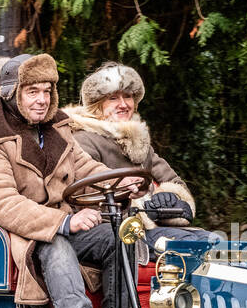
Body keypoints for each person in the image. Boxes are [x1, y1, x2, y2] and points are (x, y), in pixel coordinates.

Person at [0, 53, 139, 308]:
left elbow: (83, 167)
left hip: (61, 222)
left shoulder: (56, 128)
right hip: (16, 236)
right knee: (56, 246)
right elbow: (3, 204)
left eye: (47, 91)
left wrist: (121, 181)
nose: (42, 100)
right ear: (11, 93)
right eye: (32, 92)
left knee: (118, 236)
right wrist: (65, 222)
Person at [63, 62, 217, 250]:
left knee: (213, 242)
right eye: (113, 98)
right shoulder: (83, 139)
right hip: (110, 232)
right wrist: (140, 204)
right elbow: (86, 196)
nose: (123, 104)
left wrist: (168, 198)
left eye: (127, 96)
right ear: (97, 105)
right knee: (199, 245)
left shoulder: (138, 142)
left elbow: (174, 182)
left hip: (146, 229)